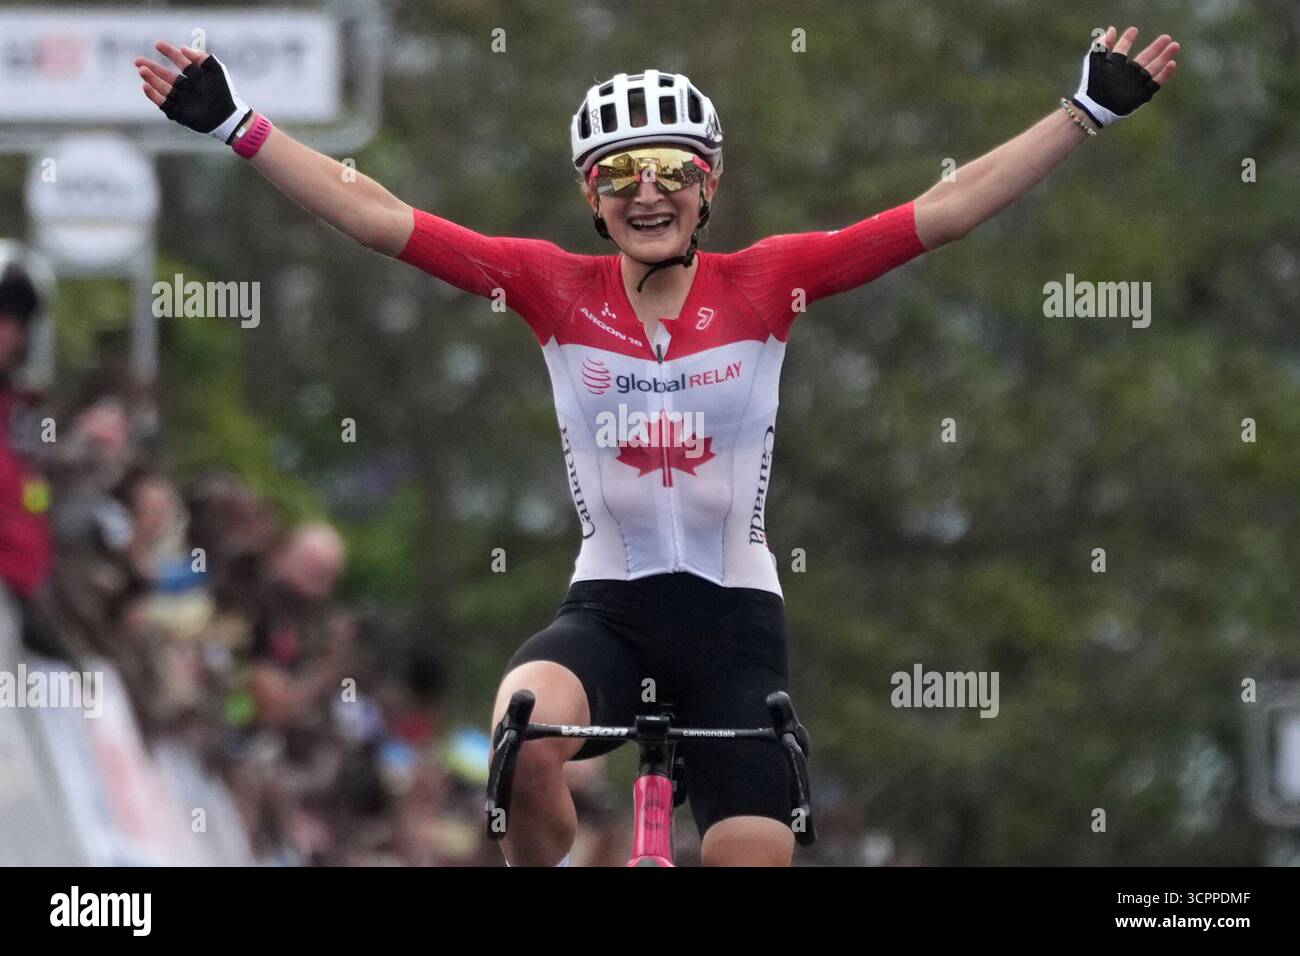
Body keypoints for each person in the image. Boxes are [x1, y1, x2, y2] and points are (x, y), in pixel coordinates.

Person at [136, 25, 1179, 865]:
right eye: (618, 171)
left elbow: (941, 212)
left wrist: (1080, 112)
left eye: (669, 169)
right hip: (611, 611)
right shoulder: (551, 286)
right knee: (519, 731)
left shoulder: (769, 281)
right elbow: (380, 218)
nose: (646, 189)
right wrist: (238, 124)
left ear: (706, 183)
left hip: (734, 628)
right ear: (591, 195)